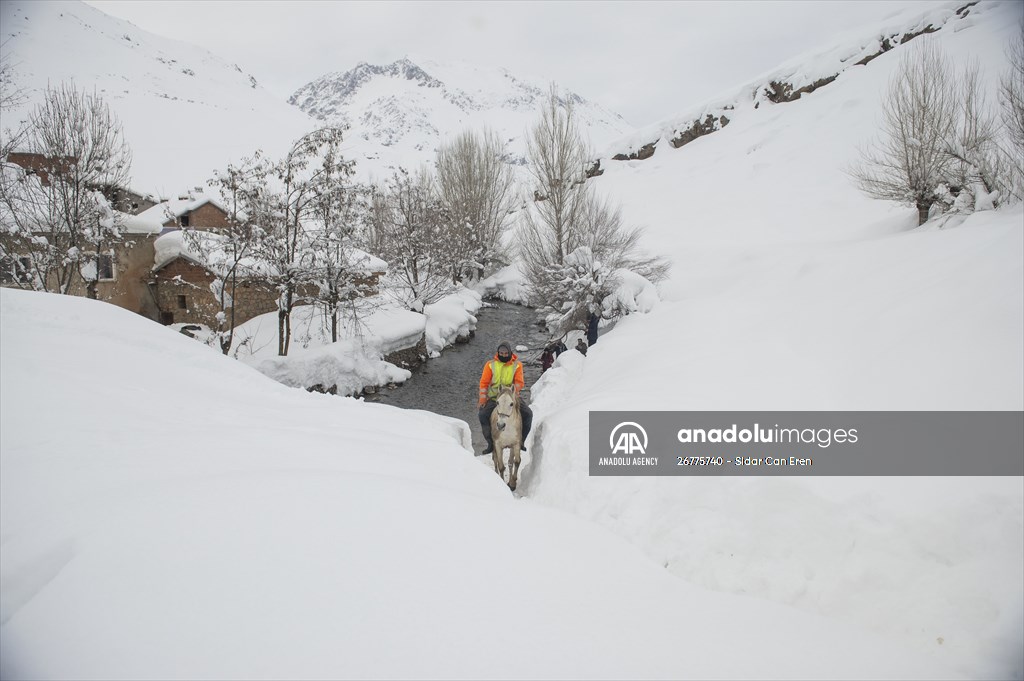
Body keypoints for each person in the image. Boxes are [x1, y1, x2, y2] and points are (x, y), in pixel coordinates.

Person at [478, 340, 533, 455]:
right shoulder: (490, 364)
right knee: (483, 415)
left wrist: (511, 392)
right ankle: (490, 443)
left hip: (511, 398)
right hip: (494, 398)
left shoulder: (517, 365)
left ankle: (521, 441)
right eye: (501, 353)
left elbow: (520, 383)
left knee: (528, 414)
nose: (503, 355)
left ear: (509, 352)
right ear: (498, 352)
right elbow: (484, 383)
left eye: (505, 353)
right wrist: (483, 399)